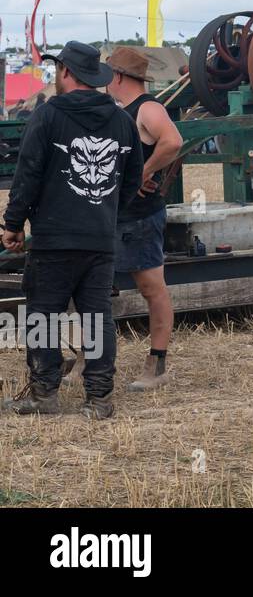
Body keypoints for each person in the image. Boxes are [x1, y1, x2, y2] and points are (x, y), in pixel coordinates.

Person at [2, 41, 141, 419]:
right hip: (99, 239)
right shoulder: (122, 121)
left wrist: (13, 224)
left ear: (65, 72)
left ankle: (45, 395)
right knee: (97, 316)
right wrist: (108, 215)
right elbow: (132, 180)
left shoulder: (48, 116)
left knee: (43, 316)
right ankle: (99, 399)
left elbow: (27, 174)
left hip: (54, 238)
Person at [105, 47, 183, 392]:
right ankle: (86, 359)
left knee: (152, 288)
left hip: (139, 217)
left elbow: (173, 141)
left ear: (117, 77)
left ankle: (157, 364)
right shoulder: (119, 111)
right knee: (90, 289)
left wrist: (142, 173)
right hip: (113, 216)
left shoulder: (147, 109)